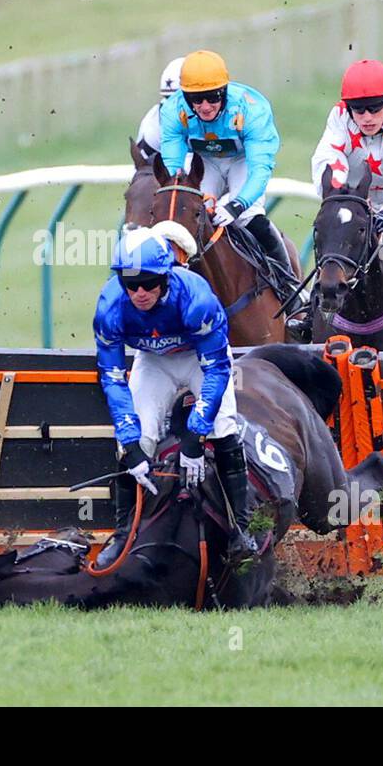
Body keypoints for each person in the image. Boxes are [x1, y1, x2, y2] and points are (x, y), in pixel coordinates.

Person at [93, 226, 257, 567]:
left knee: (222, 426)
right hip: (154, 361)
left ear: (167, 276)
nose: (140, 292)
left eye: (149, 282)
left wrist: (195, 437)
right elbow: (112, 377)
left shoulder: (197, 300)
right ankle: (123, 533)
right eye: (130, 283)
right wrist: (131, 445)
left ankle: (241, 529)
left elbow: (217, 370)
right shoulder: (110, 308)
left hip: (201, 358)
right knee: (138, 437)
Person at [157, 49, 292, 271]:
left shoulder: (252, 110)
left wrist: (237, 206)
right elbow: (174, 166)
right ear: (185, 97)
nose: (205, 106)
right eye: (196, 99)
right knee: (190, 212)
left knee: (247, 216)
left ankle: (287, 279)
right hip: (205, 162)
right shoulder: (173, 110)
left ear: (224, 92)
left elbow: (260, 169)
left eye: (213, 97)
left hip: (242, 161)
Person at [311, 59, 383, 256]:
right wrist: (343, 197)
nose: (367, 118)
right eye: (358, 110)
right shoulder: (339, 115)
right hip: (356, 205)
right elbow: (328, 158)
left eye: (374, 109)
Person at [136, 56, 185, 160]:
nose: (173, 108)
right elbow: (144, 167)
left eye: (180, 101)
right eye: (168, 99)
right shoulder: (152, 127)